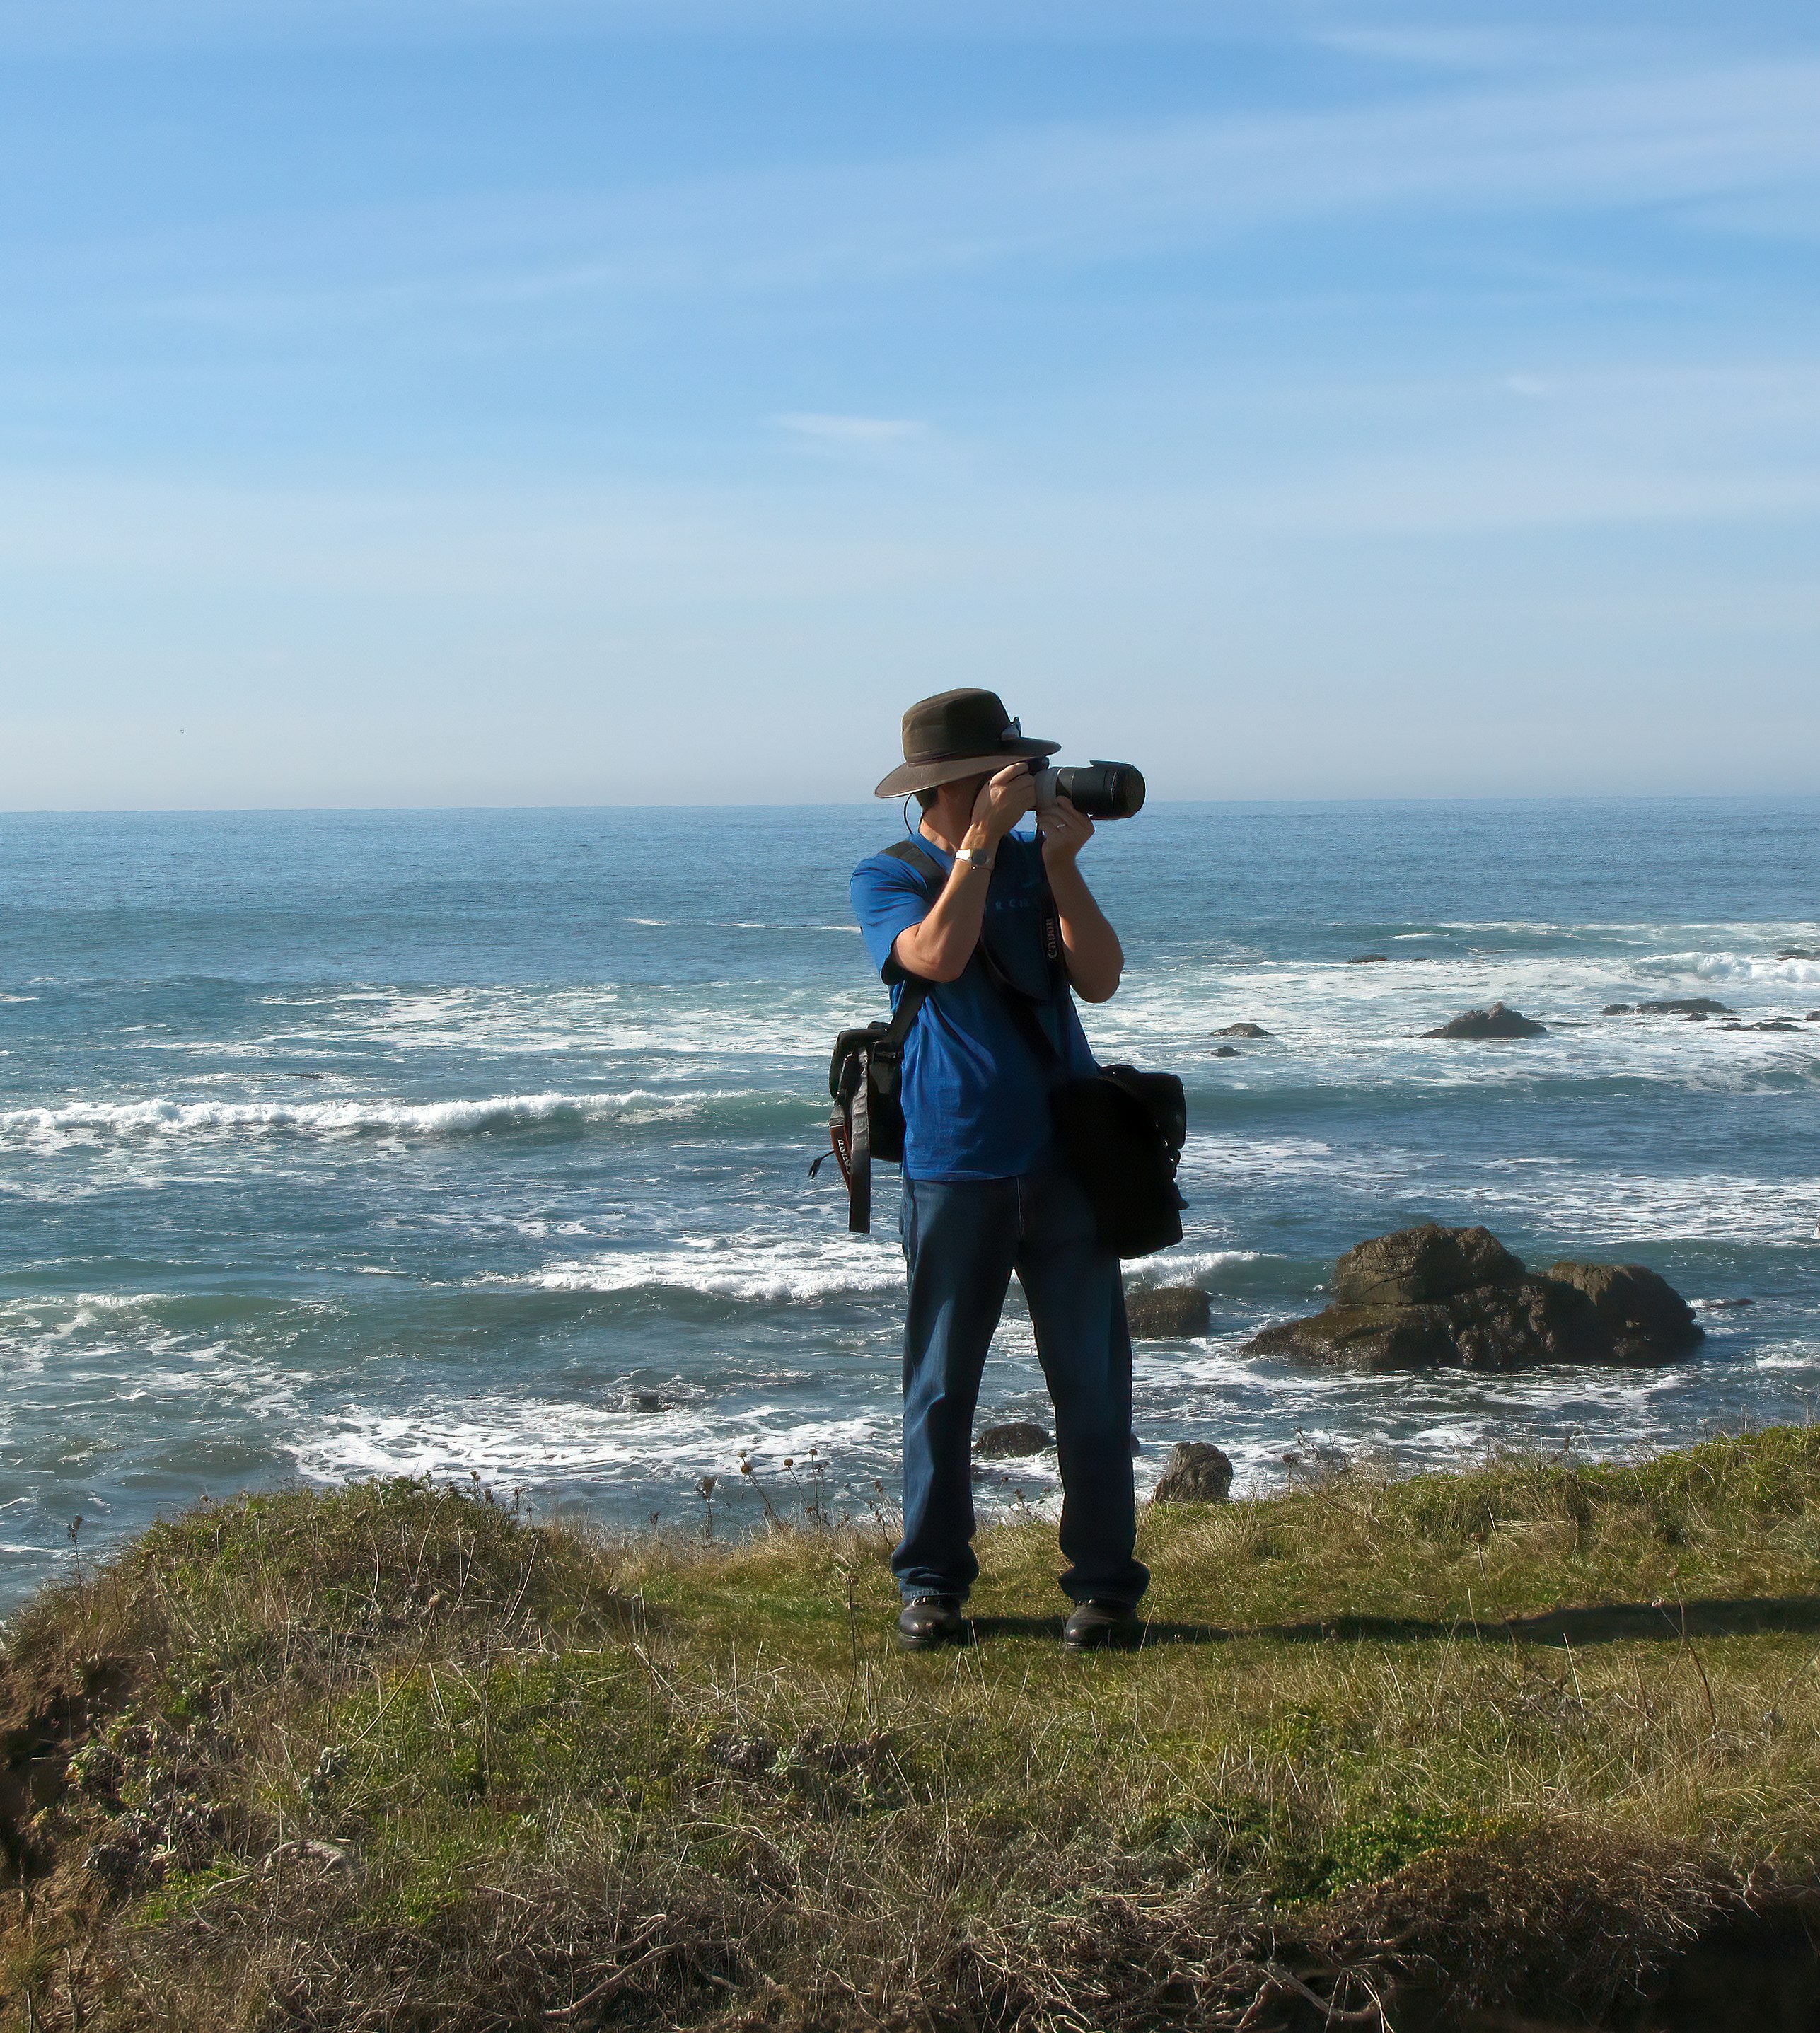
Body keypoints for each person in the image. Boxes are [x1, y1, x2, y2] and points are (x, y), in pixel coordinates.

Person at [849, 688, 1148, 1652]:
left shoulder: (1034, 862)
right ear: (953, 784)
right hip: (954, 1165)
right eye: (1000, 771)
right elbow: (932, 955)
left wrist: (1059, 865)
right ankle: (932, 1587)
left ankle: (1104, 1588)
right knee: (941, 1389)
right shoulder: (888, 872)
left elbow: (1097, 975)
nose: (1019, 783)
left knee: (1091, 1386)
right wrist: (977, 845)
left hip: (1067, 1166)